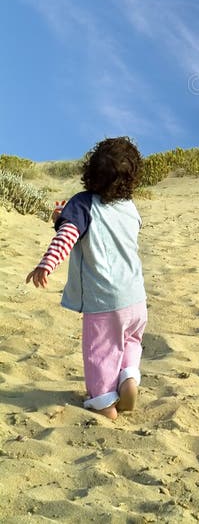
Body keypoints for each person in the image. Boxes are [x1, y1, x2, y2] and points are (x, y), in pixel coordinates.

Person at [25, 137, 147, 421]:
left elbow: (68, 235)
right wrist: (65, 217)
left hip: (105, 300)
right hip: (136, 297)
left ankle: (103, 402)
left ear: (90, 171)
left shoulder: (82, 204)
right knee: (130, 340)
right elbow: (105, 228)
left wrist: (47, 263)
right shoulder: (130, 207)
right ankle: (128, 378)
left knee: (100, 351)